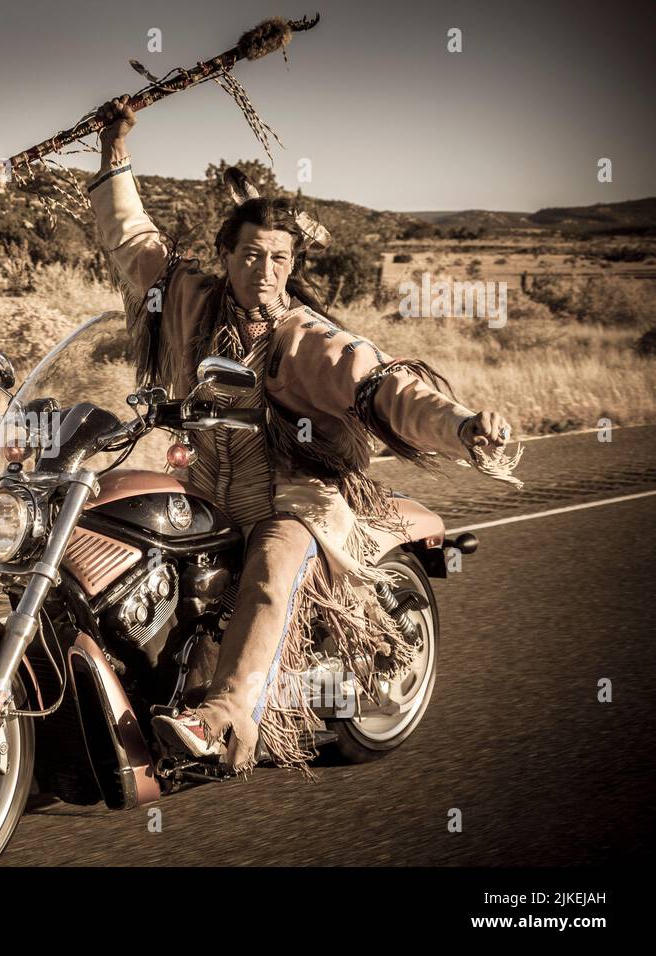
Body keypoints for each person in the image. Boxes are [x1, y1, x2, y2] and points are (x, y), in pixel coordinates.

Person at [87, 96, 523, 777]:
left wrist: (464, 425)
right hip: (206, 489)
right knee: (118, 524)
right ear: (224, 255)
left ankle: (228, 719)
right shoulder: (186, 299)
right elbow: (130, 238)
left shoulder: (310, 342)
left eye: (280, 259)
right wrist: (115, 152)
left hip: (299, 499)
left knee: (272, 563)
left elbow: (388, 390)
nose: (265, 271)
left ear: (292, 265)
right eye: (252, 255)